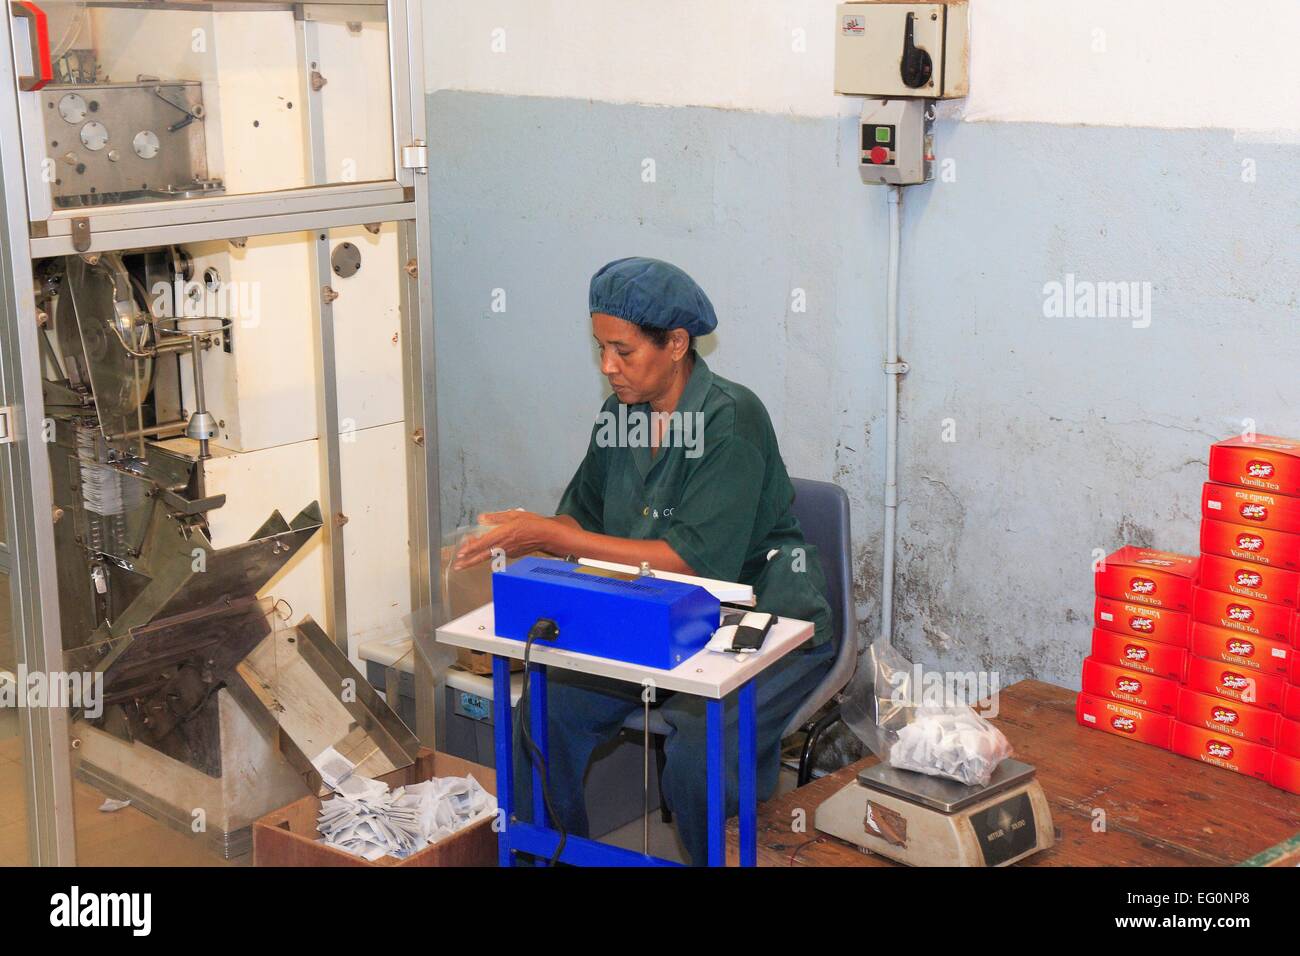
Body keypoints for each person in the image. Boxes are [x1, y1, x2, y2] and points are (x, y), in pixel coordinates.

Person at [454, 256, 833, 864]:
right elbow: (582, 517)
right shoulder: (621, 416)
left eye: (623, 352)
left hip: (761, 616)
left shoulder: (730, 420)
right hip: (654, 614)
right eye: (601, 348)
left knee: (699, 754)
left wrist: (553, 536)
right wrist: (530, 530)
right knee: (543, 716)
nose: (608, 367)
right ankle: (550, 857)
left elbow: (688, 562)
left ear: (677, 344)